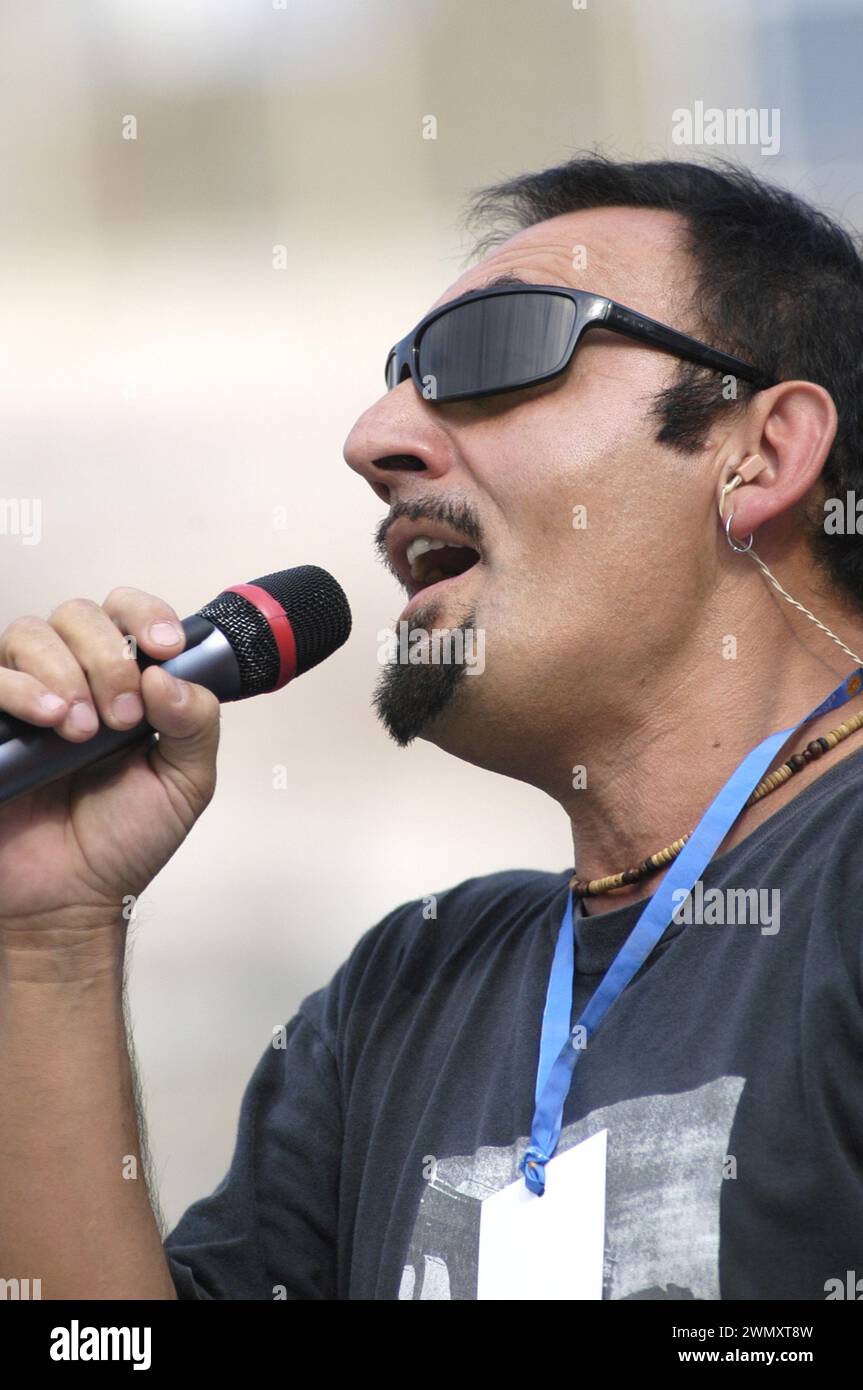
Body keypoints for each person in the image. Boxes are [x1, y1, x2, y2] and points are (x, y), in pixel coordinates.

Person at [2, 155, 863, 1302]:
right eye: (397, 378)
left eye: (495, 349)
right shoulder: (402, 992)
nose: (374, 438)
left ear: (760, 451)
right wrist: (44, 942)